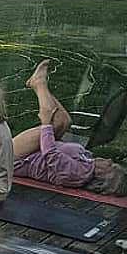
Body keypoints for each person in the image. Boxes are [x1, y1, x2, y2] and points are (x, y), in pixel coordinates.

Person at [11, 60, 127, 196]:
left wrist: (46, 123)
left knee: (56, 123)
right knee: (65, 121)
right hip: (34, 152)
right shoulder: (86, 164)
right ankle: (40, 86)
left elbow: (50, 155)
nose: (108, 160)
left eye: (110, 166)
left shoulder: (76, 174)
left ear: (102, 176)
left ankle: (39, 84)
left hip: (18, 159)